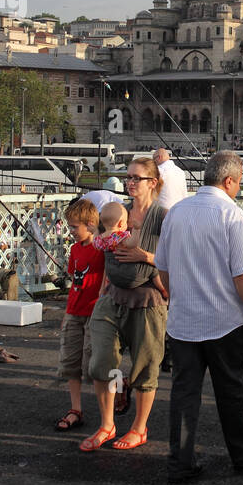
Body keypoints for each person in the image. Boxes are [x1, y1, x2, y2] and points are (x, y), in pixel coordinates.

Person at [155, 151, 243, 483]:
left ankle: (180, 463)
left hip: (183, 321)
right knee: (230, 389)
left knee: (184, 393)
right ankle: (242, 454)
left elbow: (162, 267)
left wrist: (176, 295)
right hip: (222, 321)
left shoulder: (177, 212)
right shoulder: (230, 213)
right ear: (229, 181)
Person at [81, 156, 169, 452]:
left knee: (146, 367)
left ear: (153, 183)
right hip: (112, 297)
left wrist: (144, 256)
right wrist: (103, 288)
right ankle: (107, 424)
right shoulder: (116, 213)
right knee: (101, 362)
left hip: (148, 300)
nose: (129, 183)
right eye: (128, 177)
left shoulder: (163, 217)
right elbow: (103, 251)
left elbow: (177, 259)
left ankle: (139, 428)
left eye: (136, 178)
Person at [55, 199, 105, 432]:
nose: (71, 231)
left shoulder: (101, 249)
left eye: (75, 227)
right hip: (74, 312)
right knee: (71, 362)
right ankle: (76, 408)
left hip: (94, 312)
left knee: (94, 364)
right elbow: (75, 282)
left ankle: (107, 414)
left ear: (90, 224)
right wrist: (67, 312)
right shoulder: (75, 250)